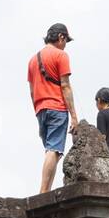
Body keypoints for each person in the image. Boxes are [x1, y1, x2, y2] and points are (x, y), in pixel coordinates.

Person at [28, 23, 79, 193]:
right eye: (66, 41)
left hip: (40, 109)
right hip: (57, 107)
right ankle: (43, 192)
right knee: (54, 150)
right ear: (61, 37)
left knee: (51, 151)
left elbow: (32, 90)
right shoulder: (61, 55)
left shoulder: (33, 60)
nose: (65, 45)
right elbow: (65, 85)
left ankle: (46, 190)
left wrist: (38, 110)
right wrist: (74, 117)